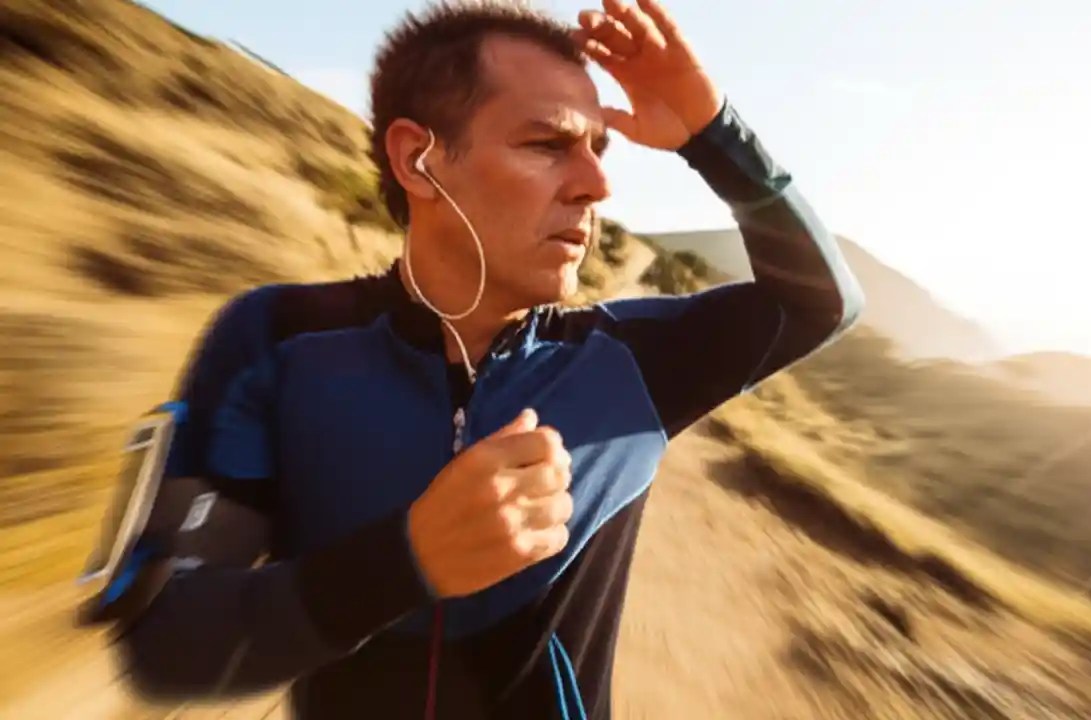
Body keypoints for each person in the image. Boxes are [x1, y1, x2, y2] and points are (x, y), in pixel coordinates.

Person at [89, 0, 864, 717]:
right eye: (548, 144)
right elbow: (162, 647)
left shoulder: (634, 361)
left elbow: (820, 304)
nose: (597, 184)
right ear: (420, 161)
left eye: (598, 150)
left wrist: (712, 132)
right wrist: (405, 561)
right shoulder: (276, 341)